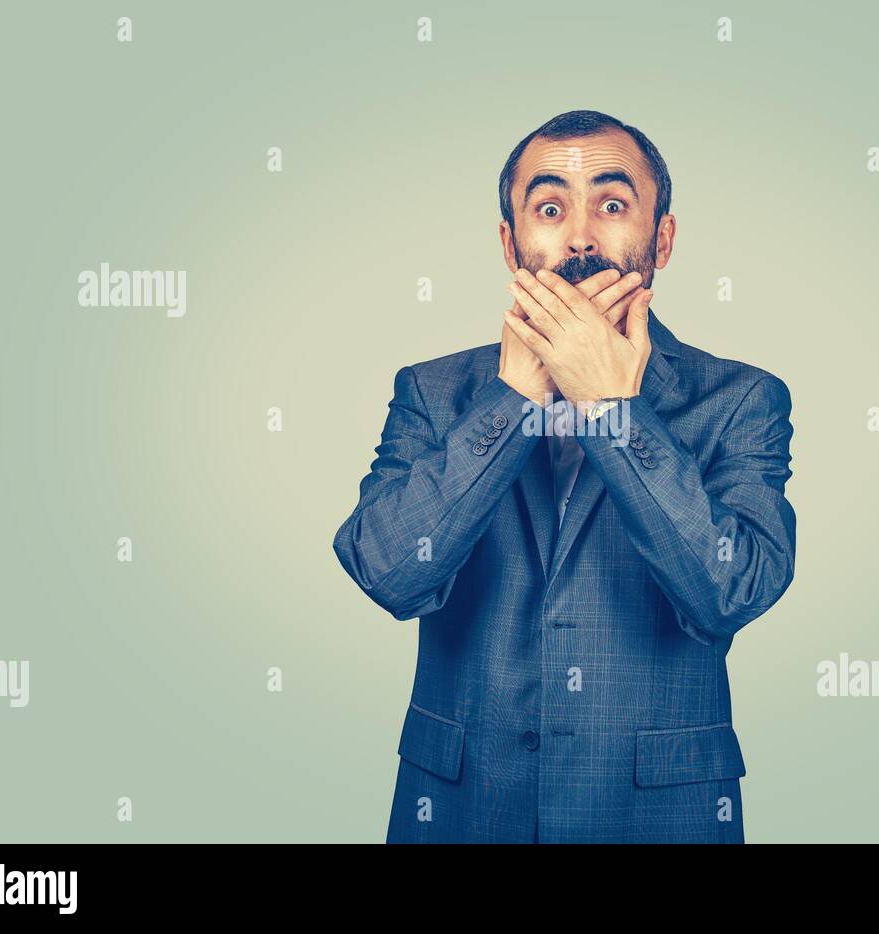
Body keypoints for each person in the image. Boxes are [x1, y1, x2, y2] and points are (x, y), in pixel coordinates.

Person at [333, 110, 797, 843]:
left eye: (612, 205)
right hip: (461, 815)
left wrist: (613, 411)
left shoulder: (741, 400)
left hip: (658, 818)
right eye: (549, 208)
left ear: (662, 239)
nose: (580, 236)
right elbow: (390, 572)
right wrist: (514, 400)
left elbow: (727, 593)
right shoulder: (433, 392)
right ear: (510, 243)